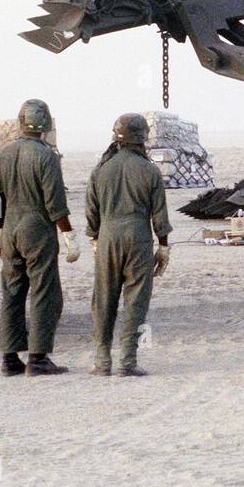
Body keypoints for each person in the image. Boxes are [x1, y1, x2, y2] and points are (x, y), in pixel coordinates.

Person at [0, 99, 79, 376]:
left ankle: (10, 359)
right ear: (47, 125)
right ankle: (38, 359)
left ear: (20, 121)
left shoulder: (2, 155)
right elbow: (55, 203)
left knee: (12, 293)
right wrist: (68, 235)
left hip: (10, 229)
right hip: (37, 228)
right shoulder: (46, 156)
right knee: (44, 292)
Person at [85, 113, 172, 377]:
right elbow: (160, 214)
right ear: (142, 138)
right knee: (136, 299)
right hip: (139, 238)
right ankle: (127, 362)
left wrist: (94, 238)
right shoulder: (150, 170)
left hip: (108, 237)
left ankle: (102, 362)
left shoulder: (101, 168)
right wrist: (164, 247)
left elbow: (91, 210)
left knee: (103, 299)